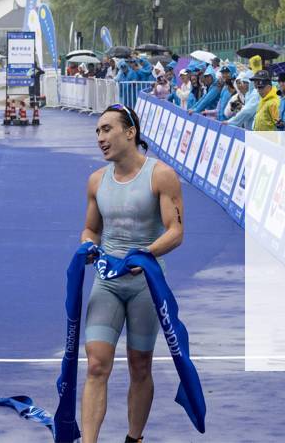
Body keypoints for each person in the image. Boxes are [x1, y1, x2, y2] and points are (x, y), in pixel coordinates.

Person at [80, 104, 185, 443]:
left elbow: (175, 231)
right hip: (107, 282)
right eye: (97, 131)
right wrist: (87, 247)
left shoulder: (161, 175)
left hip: (145, 285)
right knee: (96, 365)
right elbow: (90, 230)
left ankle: (133, 438)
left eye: (107, 129)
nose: (100, 138)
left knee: (140, 366)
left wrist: (145, 254)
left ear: (130, 132)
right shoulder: (96, 181)